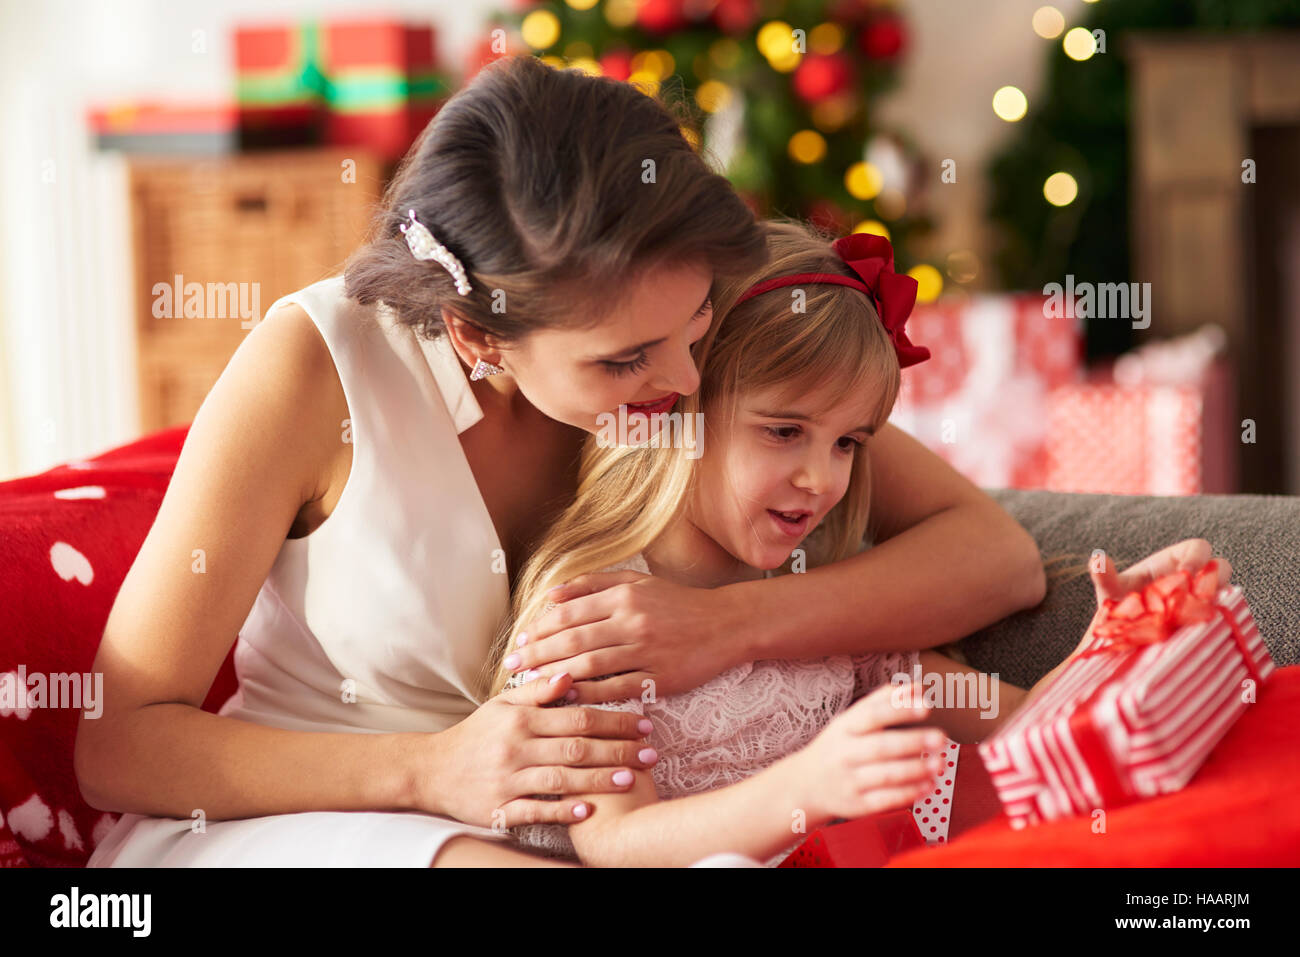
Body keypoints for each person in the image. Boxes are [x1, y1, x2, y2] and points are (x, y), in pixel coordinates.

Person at [78, 55, 1037, 869]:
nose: (684, 376)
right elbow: (117, 744)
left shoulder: (676, 318)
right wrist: (427, 767)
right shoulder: (311, 371)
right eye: (623, 360)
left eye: (698, 320)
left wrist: (726, 625)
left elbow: (998, 562)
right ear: (478, 336)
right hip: (301, 824)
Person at [483, 219, 1235, 867]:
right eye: (784, 432)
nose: (821, 478)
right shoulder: (591, 610)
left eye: (849, 443)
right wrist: (805, 790)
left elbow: (1019, 723)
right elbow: (616, 844)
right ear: (677, 405)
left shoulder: (829, 592)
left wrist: (1113, 643)